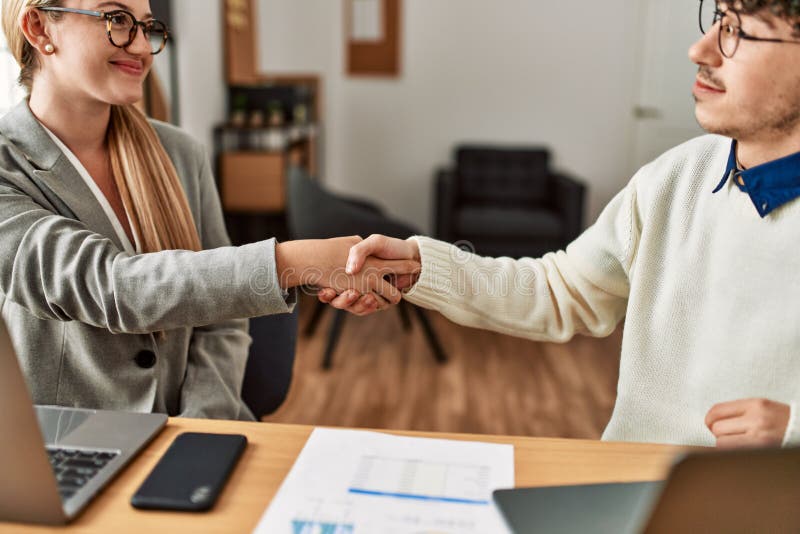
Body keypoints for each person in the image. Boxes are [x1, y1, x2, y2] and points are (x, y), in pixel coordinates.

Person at [325, 0, 800, 449]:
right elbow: (560, 290)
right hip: (630, 489)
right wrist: (421, 267)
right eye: (717, 16)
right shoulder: (671, 178)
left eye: (739, 30)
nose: (700, 49)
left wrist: (793, 428)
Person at [0, 0, 416, 421]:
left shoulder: (181, 154)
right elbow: (111, 287)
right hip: (70, 445)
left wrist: (201, 424)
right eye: (117, 20)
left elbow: (223, 319)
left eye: (148, 27)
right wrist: (297, 263)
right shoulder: (6, 168)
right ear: (39, 28)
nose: (143, 47)